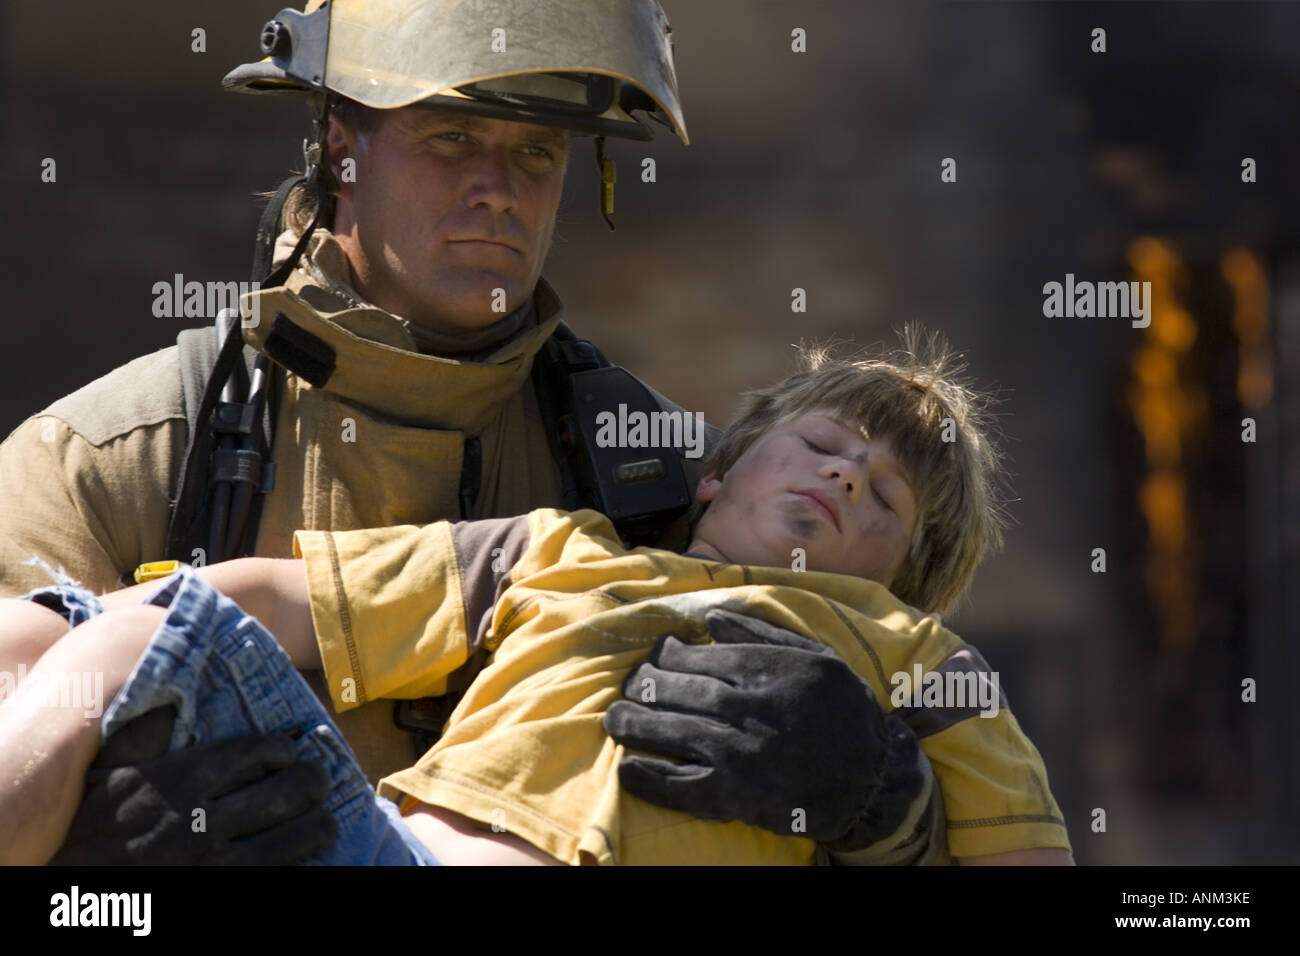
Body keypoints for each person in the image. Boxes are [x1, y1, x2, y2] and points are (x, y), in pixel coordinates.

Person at [0, 1, 949, 864]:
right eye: (452, 136)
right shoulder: (120, 457)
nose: (499, 187)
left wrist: (886, 810)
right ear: (343, 152)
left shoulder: (659, 472)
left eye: (536, 152)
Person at [0, 338, 1072, 865]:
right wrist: (91, 637)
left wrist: (890, 814)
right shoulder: (558, 545)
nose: (844, 475)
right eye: (824, 445)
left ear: (905, 574)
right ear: (714, 472)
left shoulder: (919, 656)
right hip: (387, 853)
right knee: (136, 631)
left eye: (885, 491)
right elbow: (286, 598)